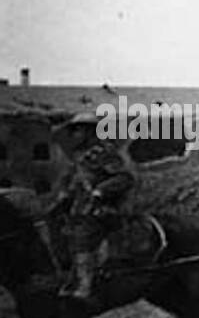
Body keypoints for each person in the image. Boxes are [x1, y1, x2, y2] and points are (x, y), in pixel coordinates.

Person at [49, 111, 136, 302]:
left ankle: (85, 285)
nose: (74, 134)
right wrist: (62, 200)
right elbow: (74, 187)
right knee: (57, 230)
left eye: (78, 130)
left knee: (83, 234)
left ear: (90, 132)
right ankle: (67, 276)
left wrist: (101, 191)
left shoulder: (104, 153)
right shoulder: (79, 158)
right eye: (73, 130)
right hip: (83, 210)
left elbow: (125, 178)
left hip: (105, 210)